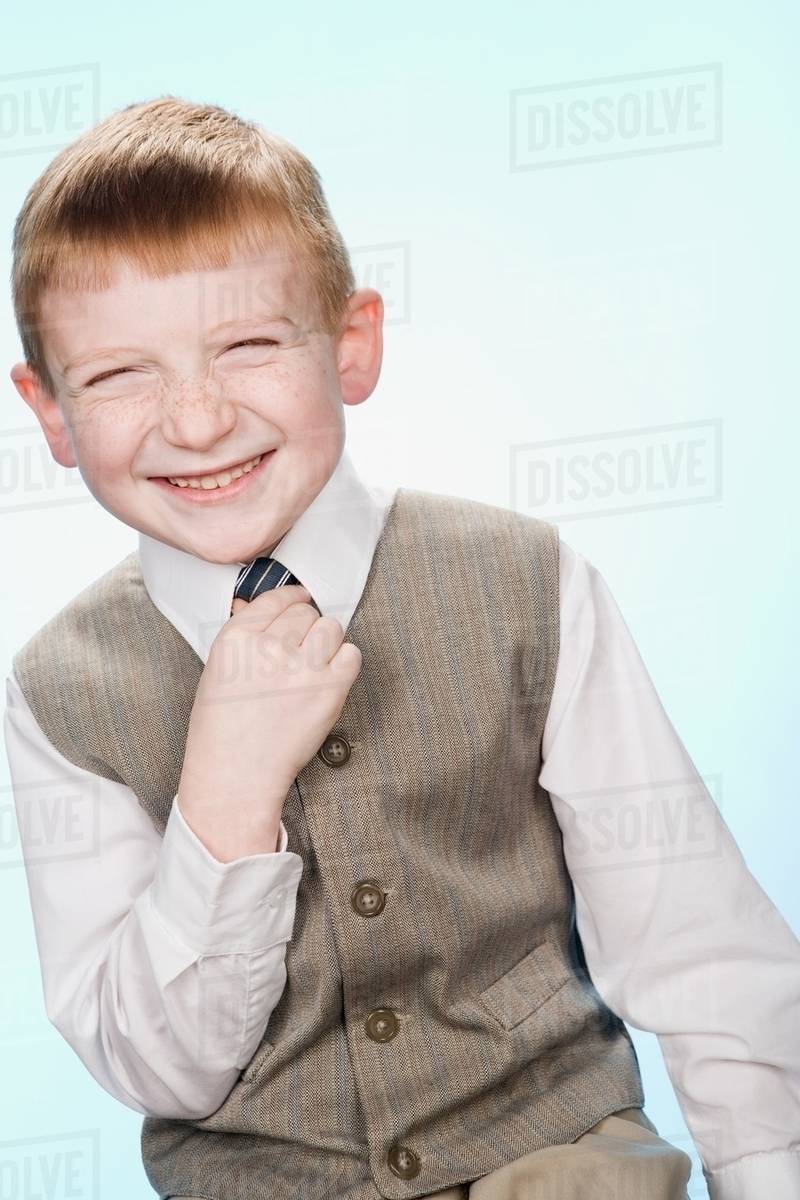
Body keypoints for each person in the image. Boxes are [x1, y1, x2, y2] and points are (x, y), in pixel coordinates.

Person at [3, 96, 798, 1200]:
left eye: (245, 346)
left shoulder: (524, 582)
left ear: (351, 344)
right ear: (48, 414)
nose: (193, 422)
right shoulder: (57, 691)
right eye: (118, 376)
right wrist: (224, 793)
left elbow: (691, 942)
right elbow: (161, 1068)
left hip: (553, 1159)